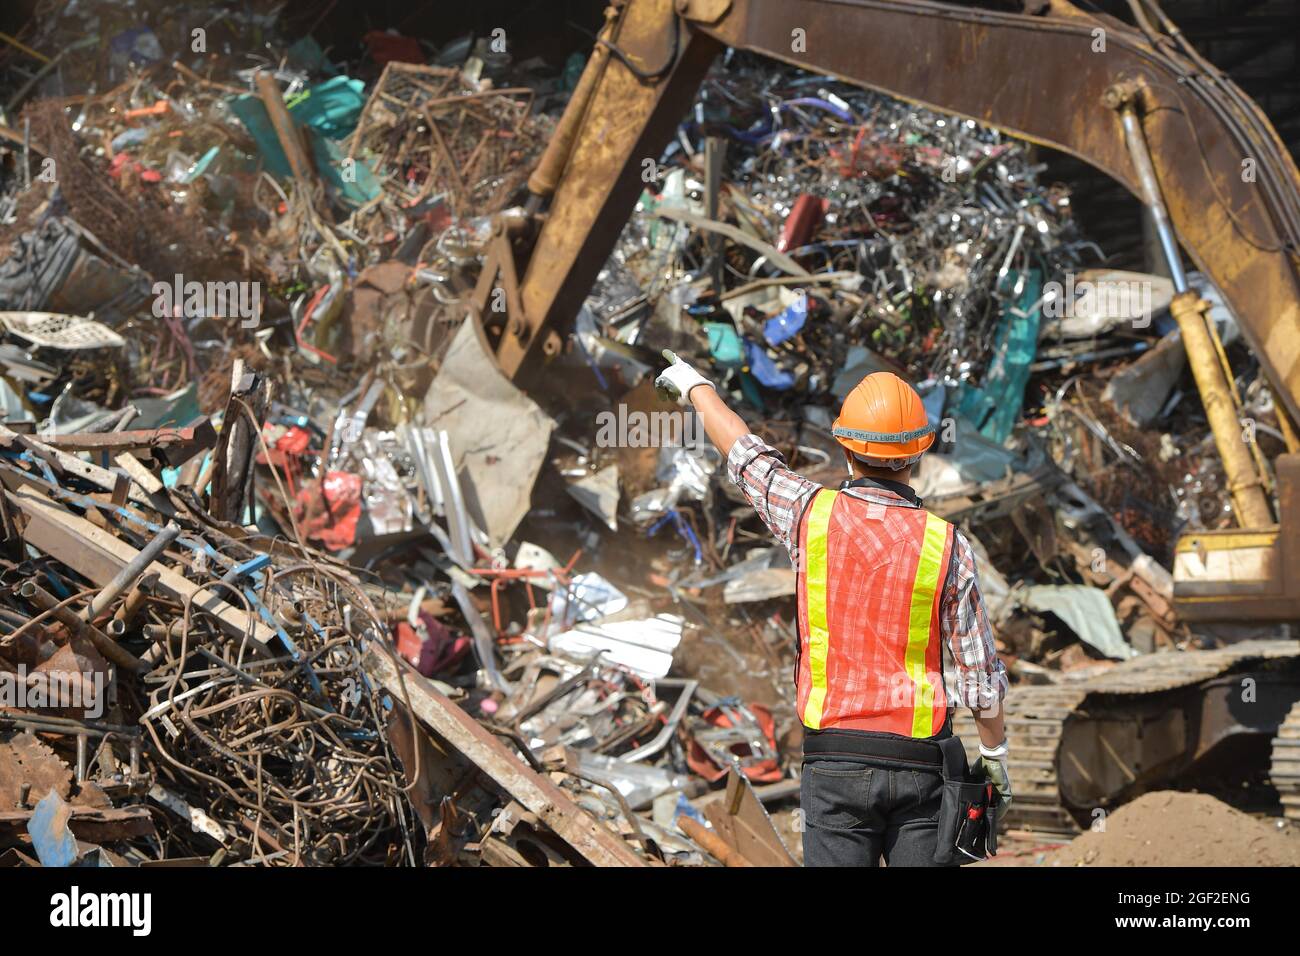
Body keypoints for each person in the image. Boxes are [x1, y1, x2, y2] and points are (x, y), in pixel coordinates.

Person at [655, 351, 1011, 867]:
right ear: (916, 456)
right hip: (921, 764)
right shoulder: (947, 545)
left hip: (834, 762)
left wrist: (696, 387)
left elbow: (744, 454)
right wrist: (995, 755)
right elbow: (979, 674)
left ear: (845, 447)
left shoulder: (808, 515)